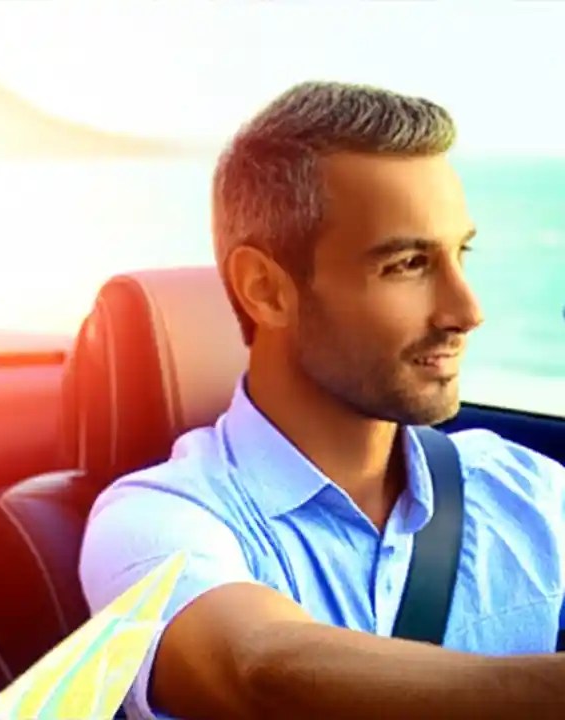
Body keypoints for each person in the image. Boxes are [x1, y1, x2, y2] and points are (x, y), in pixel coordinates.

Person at [78, 80, 565, 720]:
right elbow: (260, 670)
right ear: (266, 290)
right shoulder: (153, 522)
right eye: (408, 264)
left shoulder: (526, 489)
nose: (466, 311)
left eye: (459, 254)